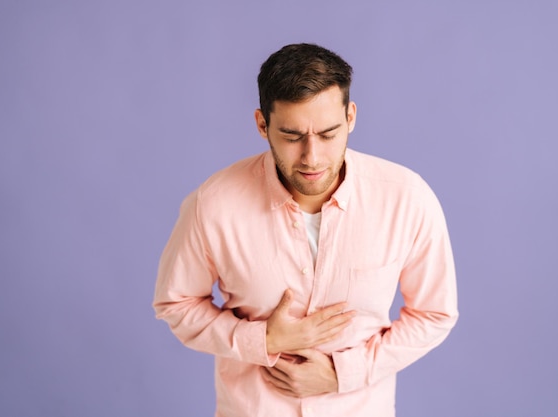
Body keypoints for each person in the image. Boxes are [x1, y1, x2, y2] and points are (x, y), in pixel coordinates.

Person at [153, 43, 458, 417]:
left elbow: (434, 314)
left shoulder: (407, 199)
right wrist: (262, 340)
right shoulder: (212, 204)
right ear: (262, 125)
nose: (312, 157)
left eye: (328, 134)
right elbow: (176, 304)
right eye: (293, 136)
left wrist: (343, 374)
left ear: (351, 117)